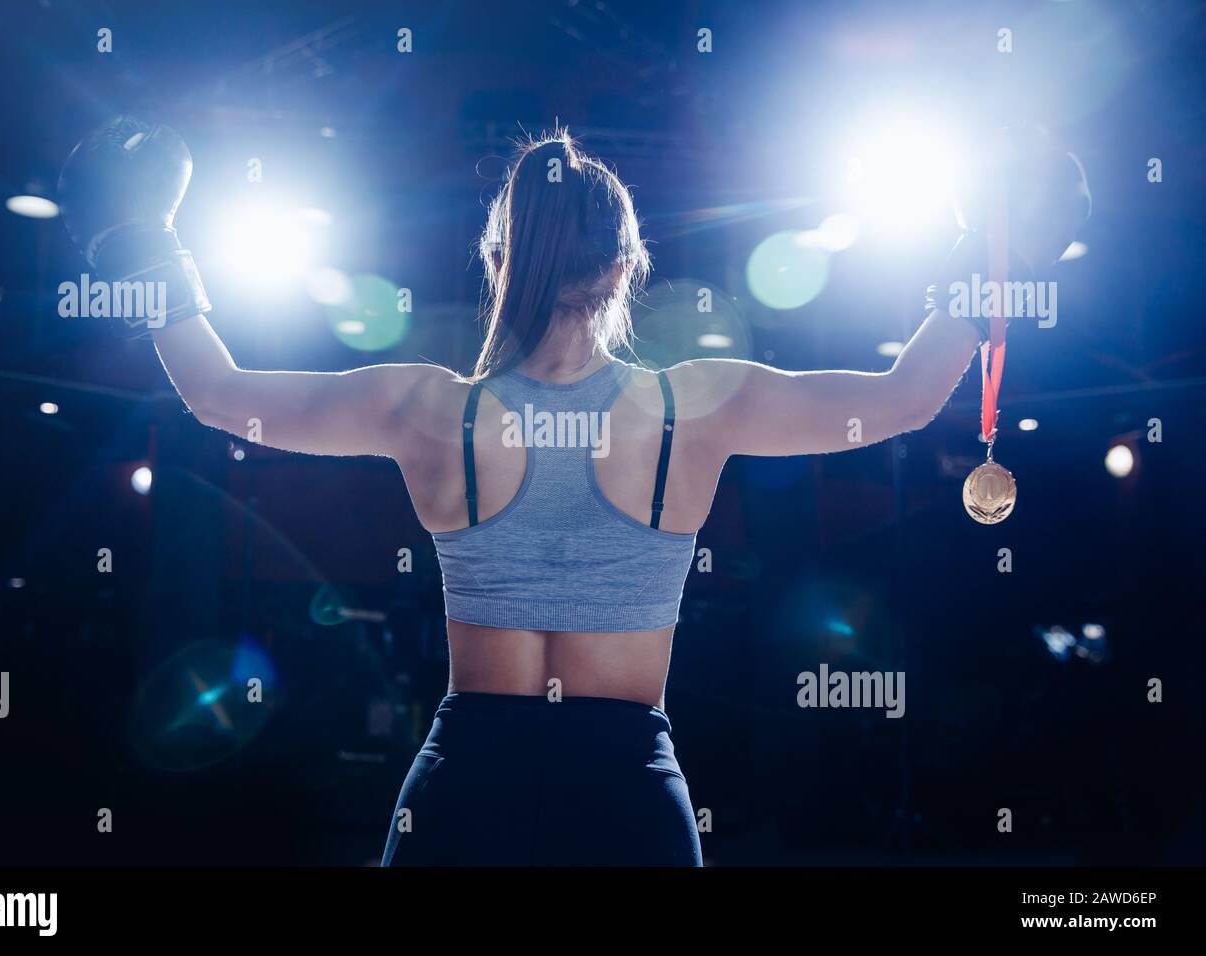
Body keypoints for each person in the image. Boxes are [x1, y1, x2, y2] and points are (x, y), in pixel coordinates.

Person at [58, 120, 1088, 866]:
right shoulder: (698, 405)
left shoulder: (425, 409)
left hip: (465, 790)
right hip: (626, 794)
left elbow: (218, 391)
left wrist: (150, 240)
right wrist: (988, 253)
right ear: (628, 264)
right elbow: (906, 398)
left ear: (500, 257)